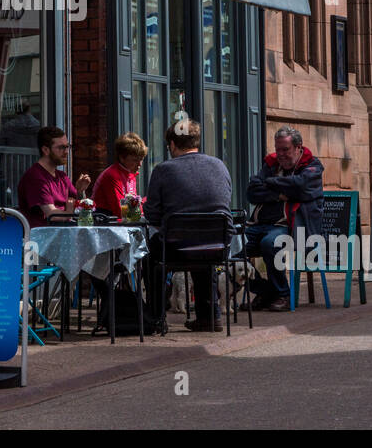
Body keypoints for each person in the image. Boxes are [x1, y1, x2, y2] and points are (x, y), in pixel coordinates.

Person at [142, 119, 232, 333]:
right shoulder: (219, 165)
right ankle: (210, 315)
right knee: (203, 247)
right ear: (197, 142)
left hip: (176, 246)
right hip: (218, 246)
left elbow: (152, 214)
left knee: (148, 254)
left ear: (172, 144)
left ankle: (156, 317)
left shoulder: (163, 170)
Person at [243, 126, 325, 313]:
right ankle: (265, 290)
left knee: (270, 243)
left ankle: (283, 294)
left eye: (285, 150)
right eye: (277, 149)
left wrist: (270, 183)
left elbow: (302, 185)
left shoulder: (312, 166)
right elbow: (252, 192)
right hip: (258, 223)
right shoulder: (271, 164)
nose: (280, 154)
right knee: (232, 246)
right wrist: (280, 195)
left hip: (289, 226)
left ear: (298, 148)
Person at [17, 126, 91, 228]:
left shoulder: (62, 176)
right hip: (42, 238)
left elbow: (82, 207)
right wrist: (69, 212)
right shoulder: (35, 177)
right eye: (61, 147)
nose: (66, 152)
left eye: (67, 146)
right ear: (45, 150)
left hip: (62, 234)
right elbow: (52, 215)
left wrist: (80, 191)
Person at [91, 132, 147, 218]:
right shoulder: (112, 176)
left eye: (141, 159)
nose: (139, 164)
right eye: (135, 160)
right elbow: (120, 211)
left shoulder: (130, 174)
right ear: (122, 158)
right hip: (104, 223)